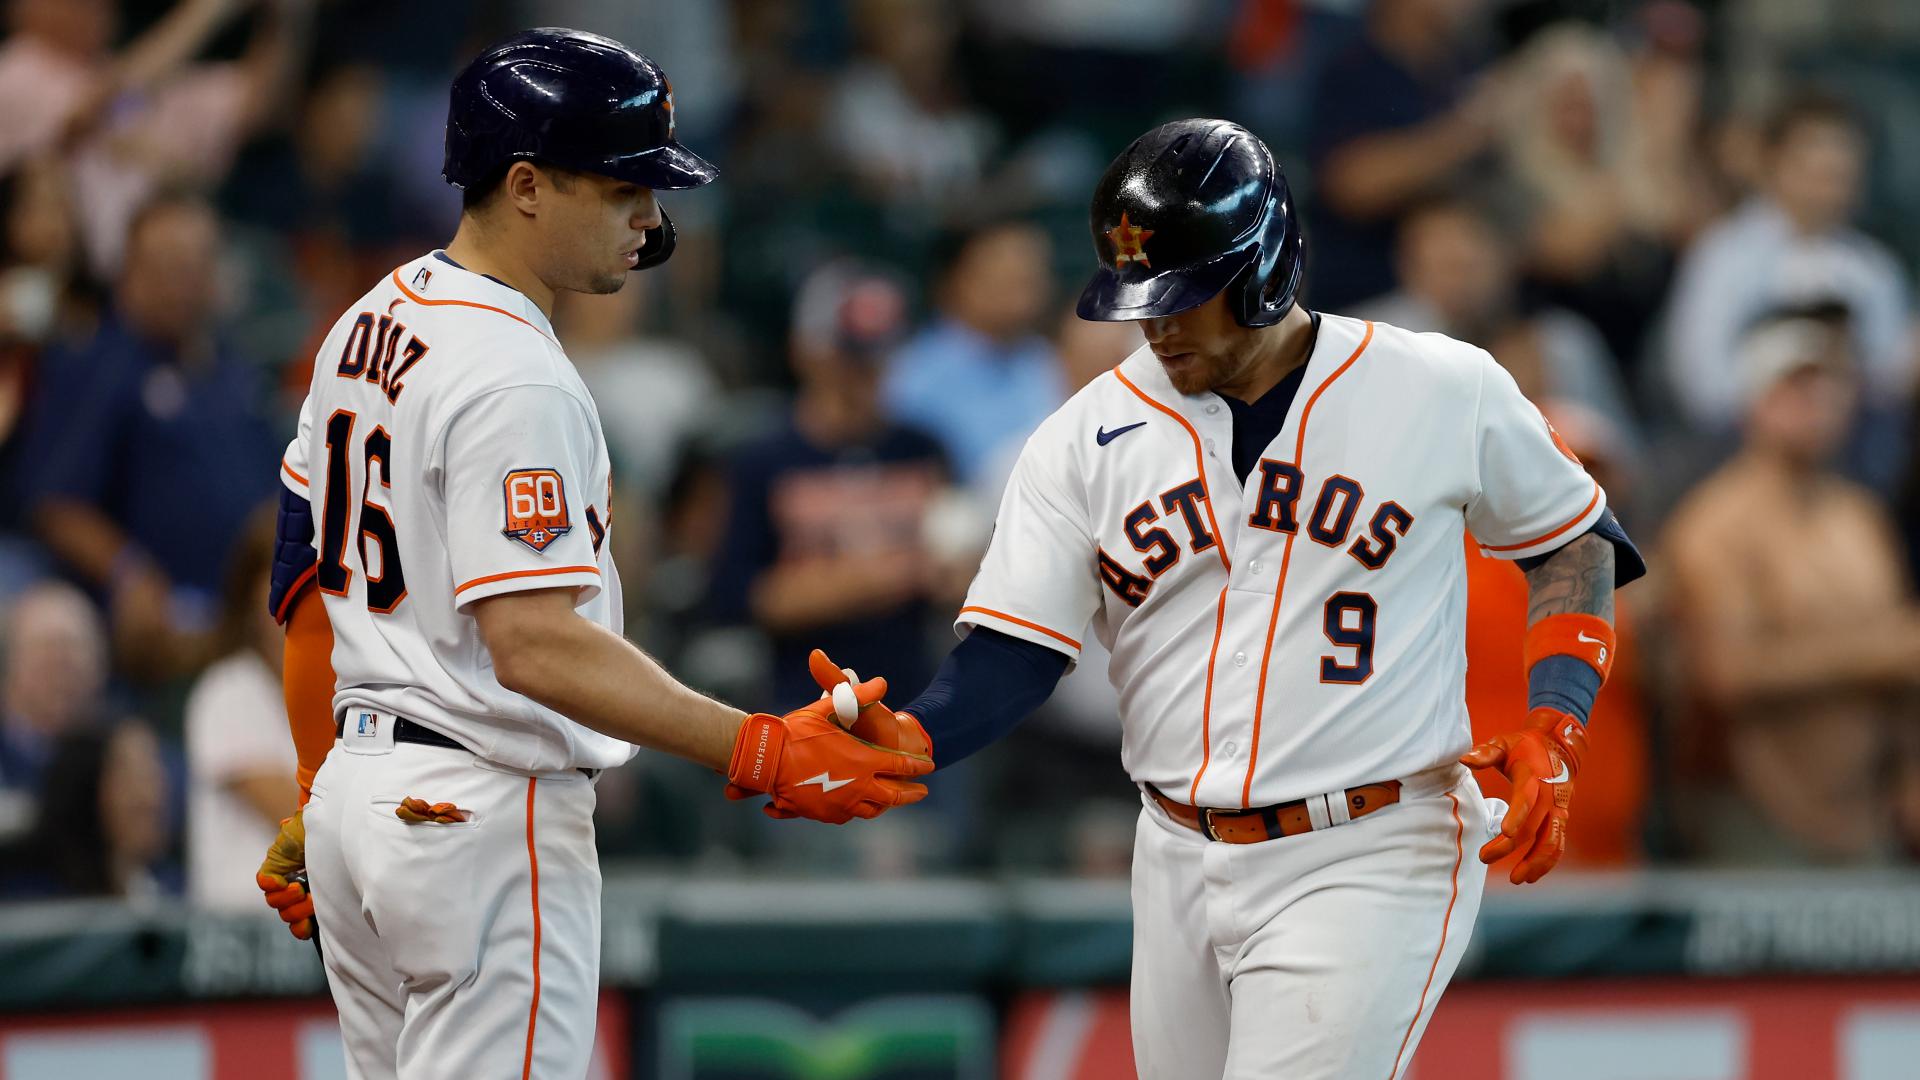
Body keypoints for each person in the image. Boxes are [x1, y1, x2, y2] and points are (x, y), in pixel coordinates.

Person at [812, 119, 1645, 1077]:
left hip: (1372, 843)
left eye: (1184, 296)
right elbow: (1017, 651)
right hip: (1171, 850)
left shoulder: (1438, 386)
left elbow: (1572, 543)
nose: (1155, 323)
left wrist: (1559, 720)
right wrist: (917, 735)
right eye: (1137, 298)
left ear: (1266, 270)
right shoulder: (1082, 439)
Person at [251, 30, 930, 1080]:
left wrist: (317, 786)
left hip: (365, 806)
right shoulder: (515, 372)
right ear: (526, 185)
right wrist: (759, 748)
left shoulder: (367, 322)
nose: (652, 218)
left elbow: (303, 578)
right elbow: (533, 645)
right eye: (624, 189)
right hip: (478, 811)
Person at [1663, 307, 1920, 864]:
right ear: (1753, 400)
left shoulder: (1862, 517)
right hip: (1756, 809)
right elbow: (1728, 671)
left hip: (1866, 807)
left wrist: (1911, 770)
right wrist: (1875, 654)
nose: (1817, 404)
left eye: (1831, 387)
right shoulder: (1715, 524)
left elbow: (1908, 662)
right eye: (1795, 387)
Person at [13, 190, 281, 679]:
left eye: (196, 263)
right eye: (166, 263)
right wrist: (128, 573)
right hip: (155, 628)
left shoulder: (234, 371)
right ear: (129, 271)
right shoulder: (98, 364)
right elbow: (56, 504)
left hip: (248, 619)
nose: (182, 280)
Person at [1663, 93, 1912, 433]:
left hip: (1853, 448)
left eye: (1840, 171)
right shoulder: (1724, 255)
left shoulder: (1875, 270)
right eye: (1816, 167)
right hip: (1740, 443)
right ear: (1774, 161)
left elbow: (1890, 384)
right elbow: (1701, 384)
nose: (1828, 185)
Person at [1306, 0, 1505, 308]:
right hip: (1367, 296)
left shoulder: (1467, 65)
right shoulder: (1351, 66)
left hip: (1465, 298)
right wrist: (1462, 135)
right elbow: (1353, 185)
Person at [881, 218, 1063, 486]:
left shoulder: (1045, 359)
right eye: (1005, 273)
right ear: (953, 281)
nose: (1026, 285)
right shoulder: (910, 377)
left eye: (1033, 273)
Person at [185, 508, 298, 911]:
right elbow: (300, 824)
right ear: (250, 597)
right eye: (281, 589)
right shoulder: (226, 692)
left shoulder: (348, 694)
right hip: (240, 946)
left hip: (327, 941)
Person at [0, 719, 174, 900]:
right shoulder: (27, 899)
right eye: (134, 777)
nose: (152, 795)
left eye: (154, 773)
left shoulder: (160, 891)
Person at [0, 581, 108, 844]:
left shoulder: (116, 761)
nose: (60, 670)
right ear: (8, 668)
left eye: (73, 651)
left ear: (101, 670)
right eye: (46, 651)